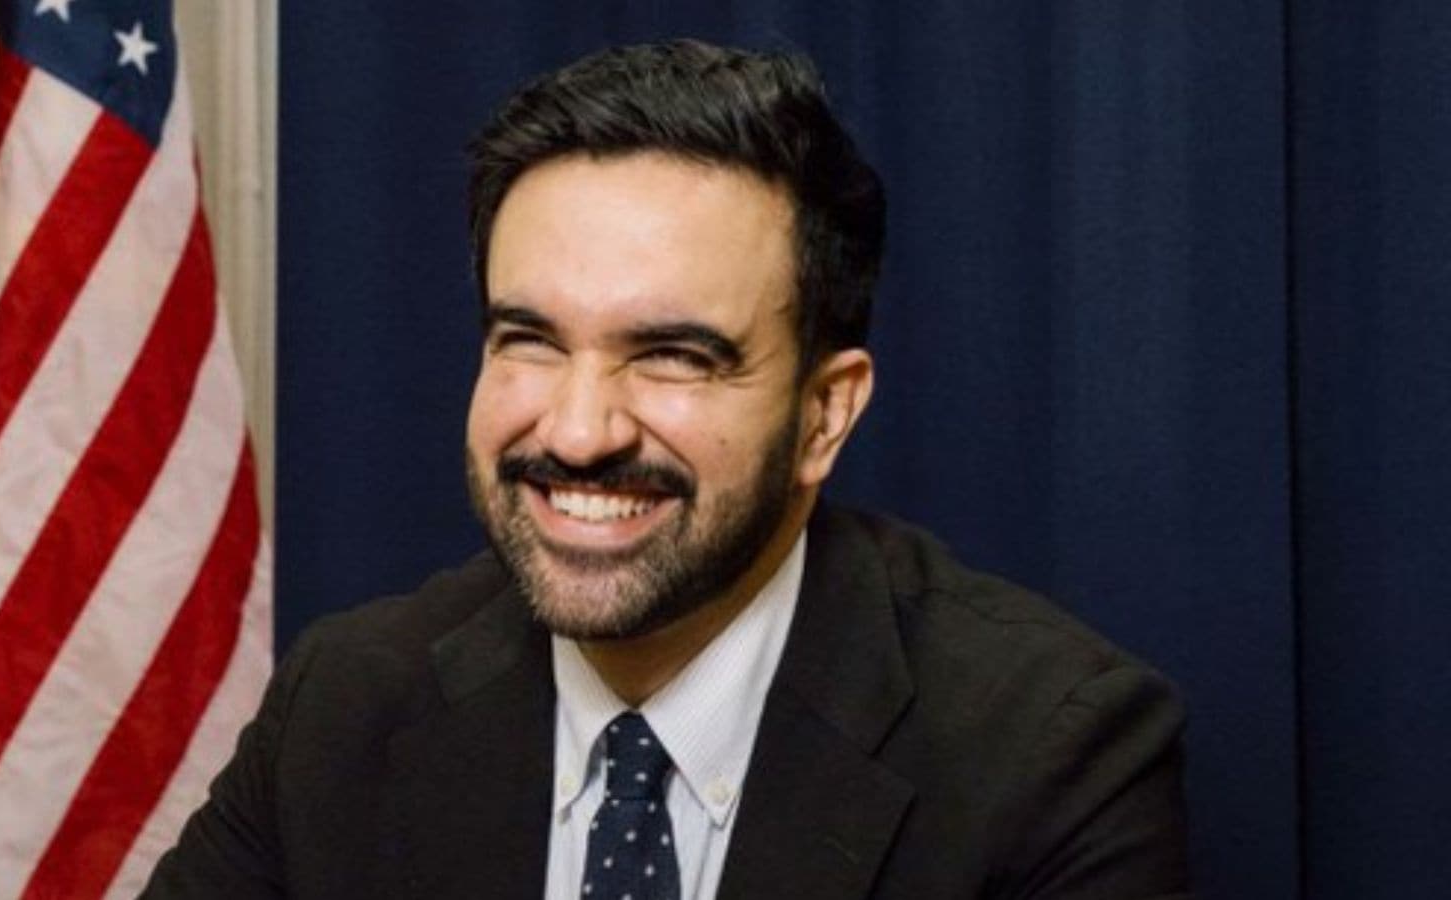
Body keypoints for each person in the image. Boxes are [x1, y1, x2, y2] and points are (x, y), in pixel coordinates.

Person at [143, 39, 1191, 899]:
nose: (581, 429)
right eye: (530, 340)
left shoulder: (1051, 756)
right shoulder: (348, 705)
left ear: (824, 414)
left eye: (673, 356)